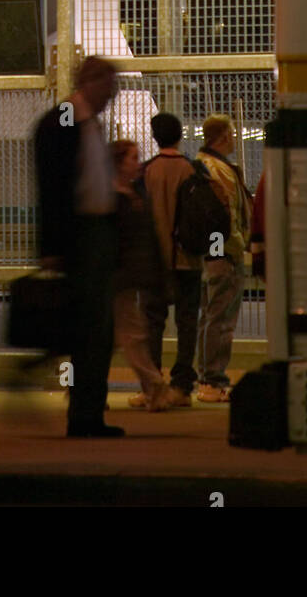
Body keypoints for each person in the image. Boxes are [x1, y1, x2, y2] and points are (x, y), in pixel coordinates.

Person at [34, 55, 122, 438]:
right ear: (91, 81)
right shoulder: (67, 121)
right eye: (109, 87)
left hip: (92, 234)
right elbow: (53, 188)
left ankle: (87, 411)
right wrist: (53, 244)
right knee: (93, 329)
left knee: (94, 328)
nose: (112, 96)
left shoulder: (84, 122)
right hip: (82, 237)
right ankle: (85, 416)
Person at [139, 111, 202, 406]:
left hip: (154, 261)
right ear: (179, 135)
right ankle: (182, 387)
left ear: (155, 137)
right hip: (188, 258)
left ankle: (152, 386)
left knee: (152, 323)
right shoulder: (193, 170)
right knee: (188, 322)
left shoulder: (145, 171)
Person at [195, 113, 253, 404]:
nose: (234, 137)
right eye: (232, 132)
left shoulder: (201, 165)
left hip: (206, 254)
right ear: (223, 136)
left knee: (208, 317)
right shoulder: (220, 170)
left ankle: (206, 377)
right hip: (224, 254)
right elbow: (228, 215)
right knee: (220, 320)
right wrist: (236, 248)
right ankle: (212, 381)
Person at [110, 140, 171, 411]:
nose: (138, 162)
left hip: (125, 277)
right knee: (134, 335)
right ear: (118, 162)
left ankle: (81, 389)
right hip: (117, 278)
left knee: (110, 336)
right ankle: (155, 386)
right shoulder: (114, 197)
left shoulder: (132, 193)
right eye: (132, 157)